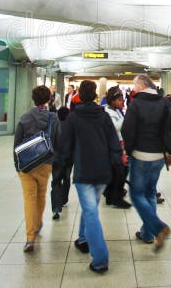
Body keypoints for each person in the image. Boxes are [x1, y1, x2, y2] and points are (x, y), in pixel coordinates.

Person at [61, 80, 123, 273]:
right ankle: (83, 238)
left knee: (90, 212)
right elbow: (114, 142)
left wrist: (61, 169)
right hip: (103, 171)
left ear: (79, 95)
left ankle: (100, 259)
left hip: (84, 172)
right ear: (95, 95)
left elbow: (65, 147)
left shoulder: (73, 118)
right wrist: (117, 166)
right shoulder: (103, 116)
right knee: (90, 207)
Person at [121, 74, 171, 249]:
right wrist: (170, 151)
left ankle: (159, 228)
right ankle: (147, 233)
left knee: (137, 194)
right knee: (150, 192)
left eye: (135, 85)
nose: (134, 89)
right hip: (159, 156)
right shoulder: (165, 103)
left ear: (143, 85)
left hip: (141, 155)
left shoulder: (136, 104)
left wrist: (128, 150)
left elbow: (127, 130)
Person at [13, 85, 60, 252]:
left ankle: (30, 237)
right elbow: (58, 141)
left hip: (26, 165)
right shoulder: (53, 118)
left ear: (33, 99)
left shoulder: (24, 118)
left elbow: (16, 144)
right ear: (49, 99)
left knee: (29, 199)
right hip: (45, 163)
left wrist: (17, 165)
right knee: (41, 195)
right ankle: (38, 223)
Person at [103, 86, 131, 209]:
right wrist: (126, 119)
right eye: (119, 100)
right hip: (112, 144)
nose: (122, 102)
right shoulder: (106, 112)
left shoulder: (117, 111)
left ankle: (111, 194)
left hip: (120, 143)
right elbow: (114, 127)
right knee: (119, 171)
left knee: (119, 170)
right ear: (112, 101)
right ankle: (115, 196)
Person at [50, 105, 72, 220]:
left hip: (56, 159)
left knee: (56, 181)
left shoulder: (55, 125)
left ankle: (56, 208)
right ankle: (64, 199)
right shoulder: (71, 127)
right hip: (68, 159)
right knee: (67, 179)